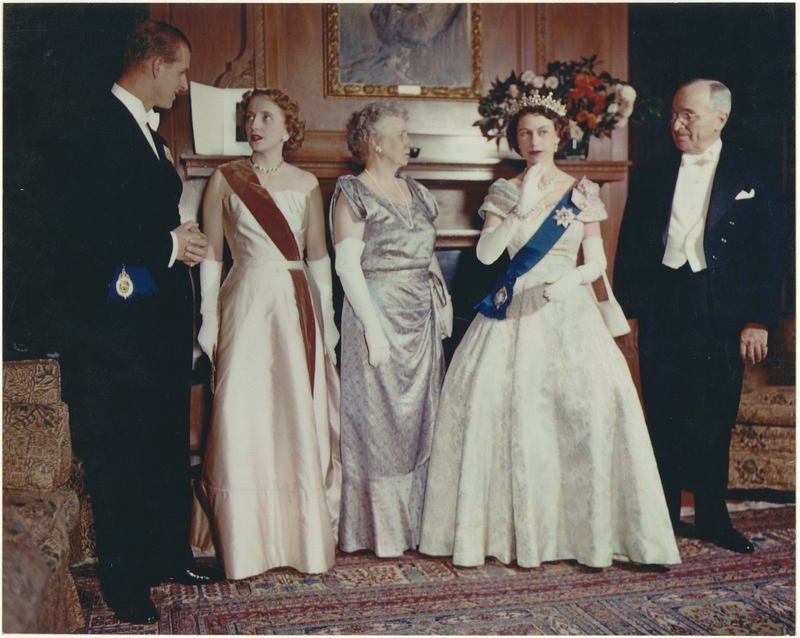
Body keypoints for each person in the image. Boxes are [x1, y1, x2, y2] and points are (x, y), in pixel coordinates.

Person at [418, 92, 681, 569]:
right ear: (515, 140)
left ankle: (584, 536)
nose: (533, 141)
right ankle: (515, 535)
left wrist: (572, 279)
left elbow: (596, 262)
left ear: (560, 136)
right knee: (509, 412)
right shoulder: (504, 190)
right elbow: (486, 256)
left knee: (586, 412)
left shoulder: (581, 192)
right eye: (524, 133)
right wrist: (518, 207)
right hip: (513, 308)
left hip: (568, 308)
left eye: (542, 131)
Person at [57, 21, 220, 625]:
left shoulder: (144, 129)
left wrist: (177, 242)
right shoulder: (95, 124)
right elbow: (86, 236)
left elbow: (136, 215)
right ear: (155, 65)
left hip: (153, 322)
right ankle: (125, 584)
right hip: (116, 328)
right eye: (180, 72)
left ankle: (167, 556)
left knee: (160, 441)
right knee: (123, 451)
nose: (183, 85)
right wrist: (170, 245)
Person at [614, 79, 785, 554]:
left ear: (720, 119)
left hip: (723, 304)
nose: (677, 124)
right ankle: (662, 517)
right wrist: (628, 313)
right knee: (661, 408)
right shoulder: (650, 175)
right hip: (662, 300)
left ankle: (712, 517)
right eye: (674, 114)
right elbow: (629, 249)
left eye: (688, 115)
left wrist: (759, 320)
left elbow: (772, 252)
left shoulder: (753, 171)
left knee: (714, 412)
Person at [193, 89, 342, 579]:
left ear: (287, 127)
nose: (254, 125)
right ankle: (245, 542)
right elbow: (212, 254)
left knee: (293, 411)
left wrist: (329, 321)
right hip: (244, 303)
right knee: (241, 412)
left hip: (294, 306)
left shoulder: (306, 183)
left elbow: (318, 256)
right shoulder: (225, 178)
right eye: (249, 117)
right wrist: (208, 320)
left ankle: (300, 538)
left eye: (266, 117)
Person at [331, 100, 449, 557]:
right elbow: (347, 266)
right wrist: (373, 330)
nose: (408, 142)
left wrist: (443, 300)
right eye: (400, 134)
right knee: (380, 421)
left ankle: (420, 526)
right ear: (375, 143)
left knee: (421, 418)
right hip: (375, 314)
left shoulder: (417, 191)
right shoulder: (352, 191)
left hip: (420, 317)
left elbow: (427, 252)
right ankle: (379, 533)